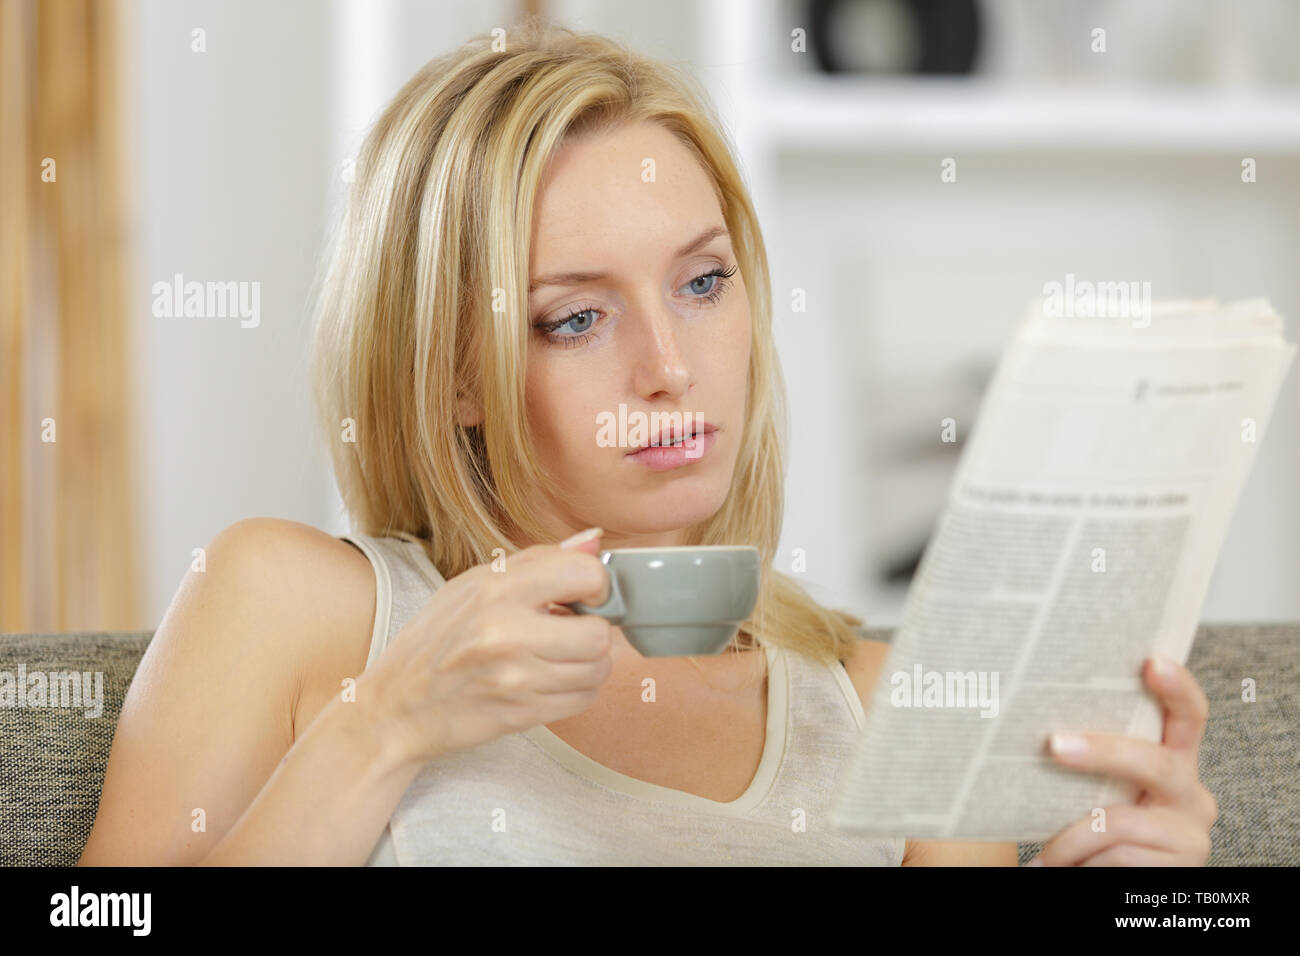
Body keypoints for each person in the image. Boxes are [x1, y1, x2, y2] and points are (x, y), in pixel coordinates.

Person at [78, 18, 1216, 866]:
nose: (670, 366)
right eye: (576, 315)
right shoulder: (291, 605)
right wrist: (383, 727)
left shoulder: (886, 697)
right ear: (455, 376)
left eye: (703, 281)